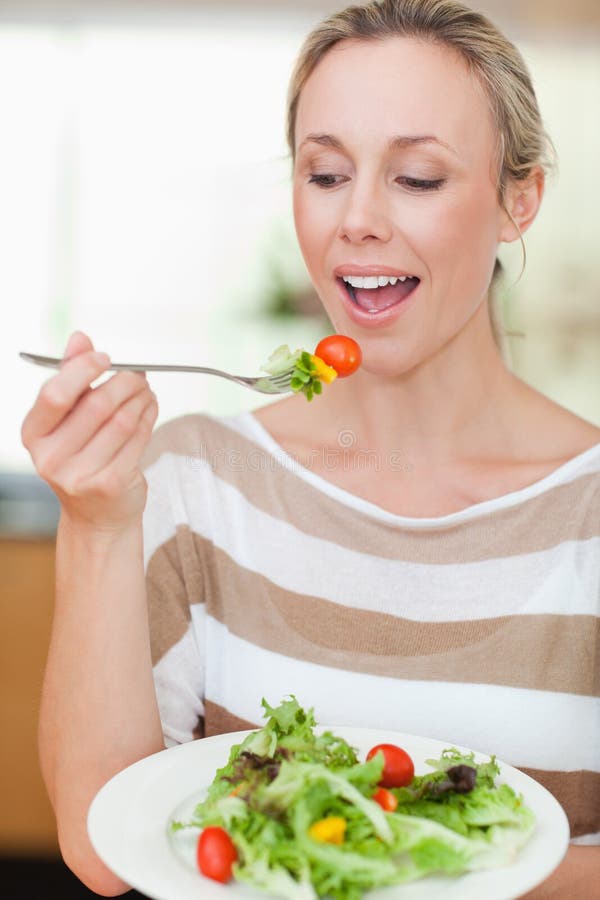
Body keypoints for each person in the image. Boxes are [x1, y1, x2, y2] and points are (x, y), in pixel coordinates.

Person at [21, 0, 600, 896]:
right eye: (325, 174)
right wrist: (96, 525)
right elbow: (103, 849)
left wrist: (388, 871)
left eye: (417, 177)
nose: (357, 219)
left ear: (518, 200)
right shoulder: (189, 480)